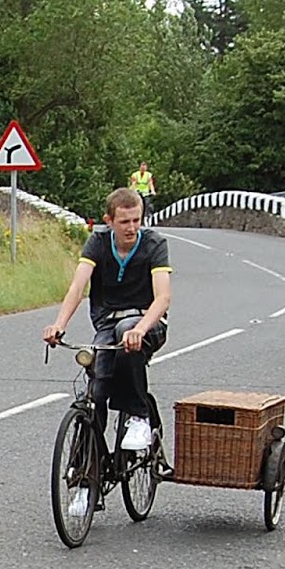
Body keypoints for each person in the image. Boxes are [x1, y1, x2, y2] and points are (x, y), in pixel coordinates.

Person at [42, 186, 172, 488]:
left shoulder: (154, 244)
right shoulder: (97, 244)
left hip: (148, 322)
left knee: (127, 334)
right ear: (109, 221)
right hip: (107, 324)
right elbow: (78, 288)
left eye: (136, 220)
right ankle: (86, 476)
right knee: (95, 393)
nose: (132, 228)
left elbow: (163, 297)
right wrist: (58, 325)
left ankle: (139, 416)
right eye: (124, 222)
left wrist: (141, 328)